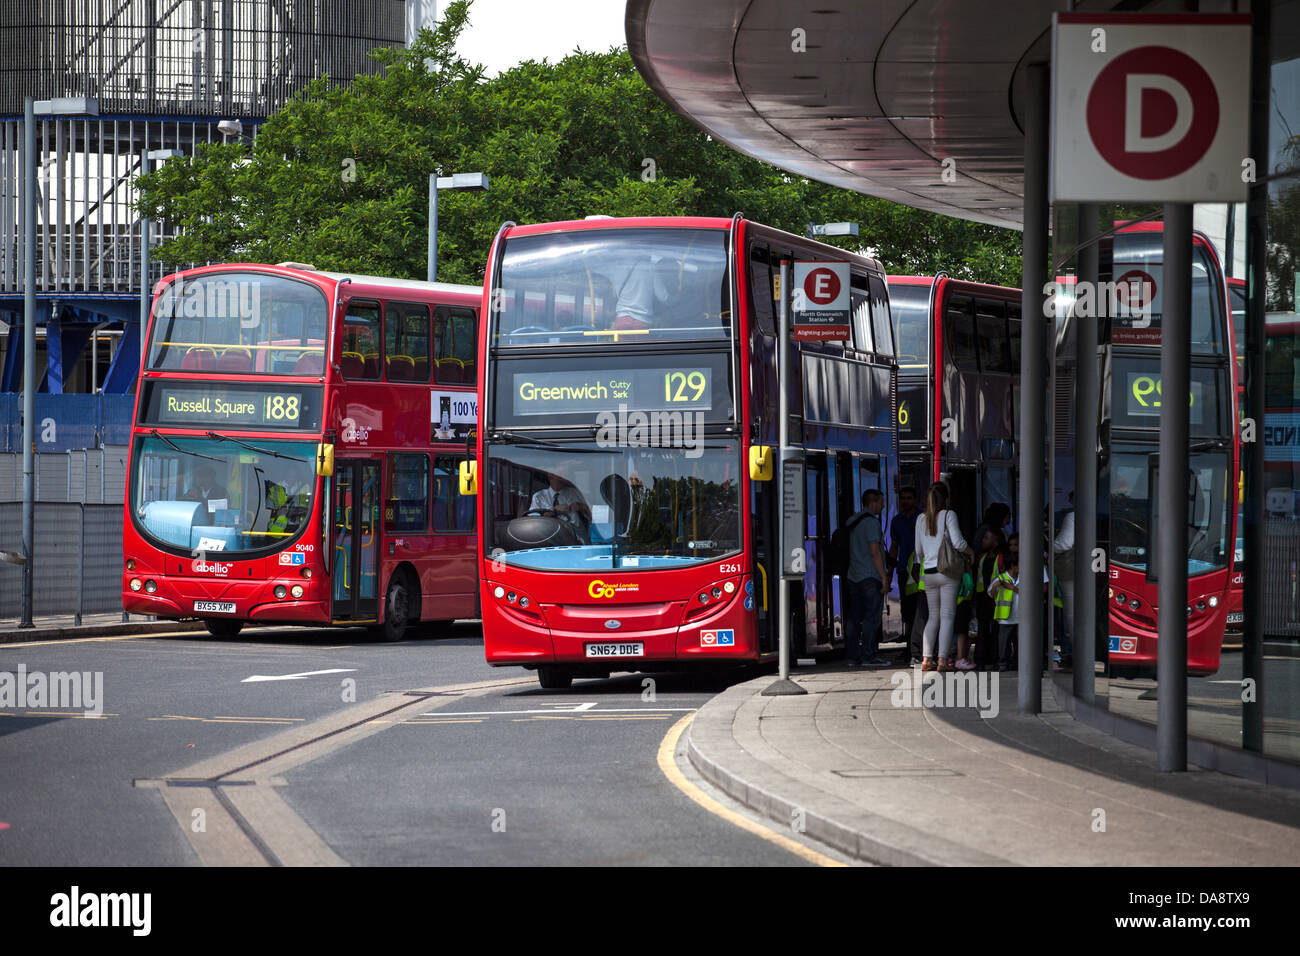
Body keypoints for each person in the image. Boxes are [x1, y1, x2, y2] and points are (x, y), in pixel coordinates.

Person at [914, 481, 970, 672]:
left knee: (933, 617)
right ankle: (942, 662)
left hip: (928, 574)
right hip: (947, 573)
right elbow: (958, 543)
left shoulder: (920, 519)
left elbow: (918, 551)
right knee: (947, 617)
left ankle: (926, 660)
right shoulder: (949, 515)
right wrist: (970, 552)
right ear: (947, 498)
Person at [843, 489, 891, 668]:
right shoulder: (871, 523)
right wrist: (884, 576)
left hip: (853, 576)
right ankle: (869, 656)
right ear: (873, 503)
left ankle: (852, 657)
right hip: (870, 576)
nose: (884, 505)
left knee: (854, 618)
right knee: (872, 617)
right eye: (881, 502)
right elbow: (875, 551)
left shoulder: (853, 521)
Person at [988, 550, 1050, 670]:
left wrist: (1012, 588)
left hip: (1022, 618)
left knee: (1020, 644)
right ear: (1013, 565)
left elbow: (1031, 595)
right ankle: (1003, 664)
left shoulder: (1025, 578)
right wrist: (996, 586)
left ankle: (1017, 663)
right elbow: (991, 594)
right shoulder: (1001, 578)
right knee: (1004, 644)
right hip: (1005, 619)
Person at [887, 486, 920, 655]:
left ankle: (919, 645)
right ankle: (909, 645)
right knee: (906, 610)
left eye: (909, 498)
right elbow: (894, 547)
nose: (905, 501)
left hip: (921, 570)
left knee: (920, 608)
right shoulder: (896, 521)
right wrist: (889, 573)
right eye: (903, 498)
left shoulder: (922, 518)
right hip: (903, 571)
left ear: (915, 499)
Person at [529, 472, 592, 540]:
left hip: (574, 535)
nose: (563, 479)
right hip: (548, 536)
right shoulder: (539, 496)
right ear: (550, 477)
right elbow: (533, 521)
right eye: (560, 476)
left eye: (565, 476)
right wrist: (554, 510)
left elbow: (592, 512)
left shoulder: (574, 492)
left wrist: (580, 506)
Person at [1053, 497, 1076, 670]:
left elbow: (1064, 543)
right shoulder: (1101, 516)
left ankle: (1076, 653)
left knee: (1072, 614)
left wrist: (1048, 547)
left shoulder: (1073, 517)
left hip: (1071, 571)